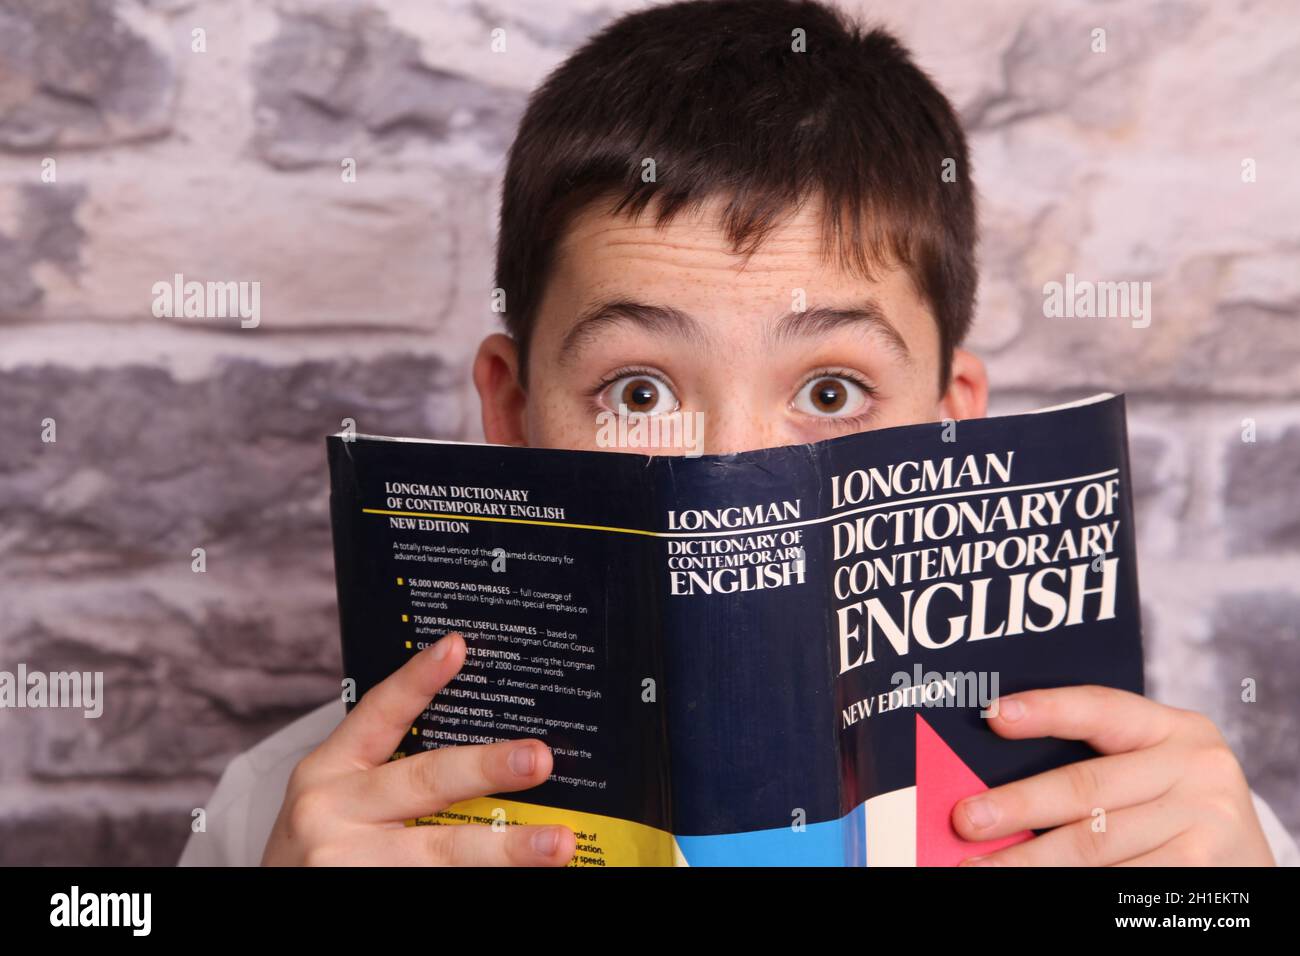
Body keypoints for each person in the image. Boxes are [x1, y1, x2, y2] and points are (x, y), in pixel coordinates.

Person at [180, 0, 1298, 867]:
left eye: (828, 391)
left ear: (953, 424)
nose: (730, 479)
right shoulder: (300, 814)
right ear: (511, 409)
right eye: (637, 391)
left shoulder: (1148, 815)